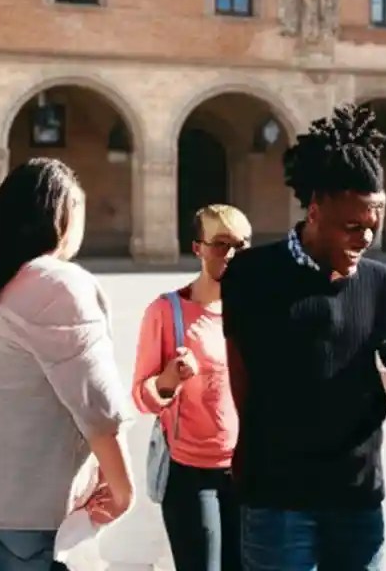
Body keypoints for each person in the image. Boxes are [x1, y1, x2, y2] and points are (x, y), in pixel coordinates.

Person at [221, 104, 386, 571]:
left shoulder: (381, 282)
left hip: (357, 498)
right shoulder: (250, 275)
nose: (365, 237)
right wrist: (245, 444)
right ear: (315, 209)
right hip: (277, 495)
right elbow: (239, 369)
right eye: (352, 226)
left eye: (373, 227)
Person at [0, 158, 133, 571]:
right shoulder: (58, 284)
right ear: (63, 215)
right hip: (46, 506)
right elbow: (97, 404)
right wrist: (122, 488)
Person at [132, 205, 252, 571]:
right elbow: (141, 395)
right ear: (197, 247)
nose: (230, 255)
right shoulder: (167, 312)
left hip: (249, 471)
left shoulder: (255, 311)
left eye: (240, 246)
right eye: (220, 244)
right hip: (191, 473)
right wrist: (169, 380)